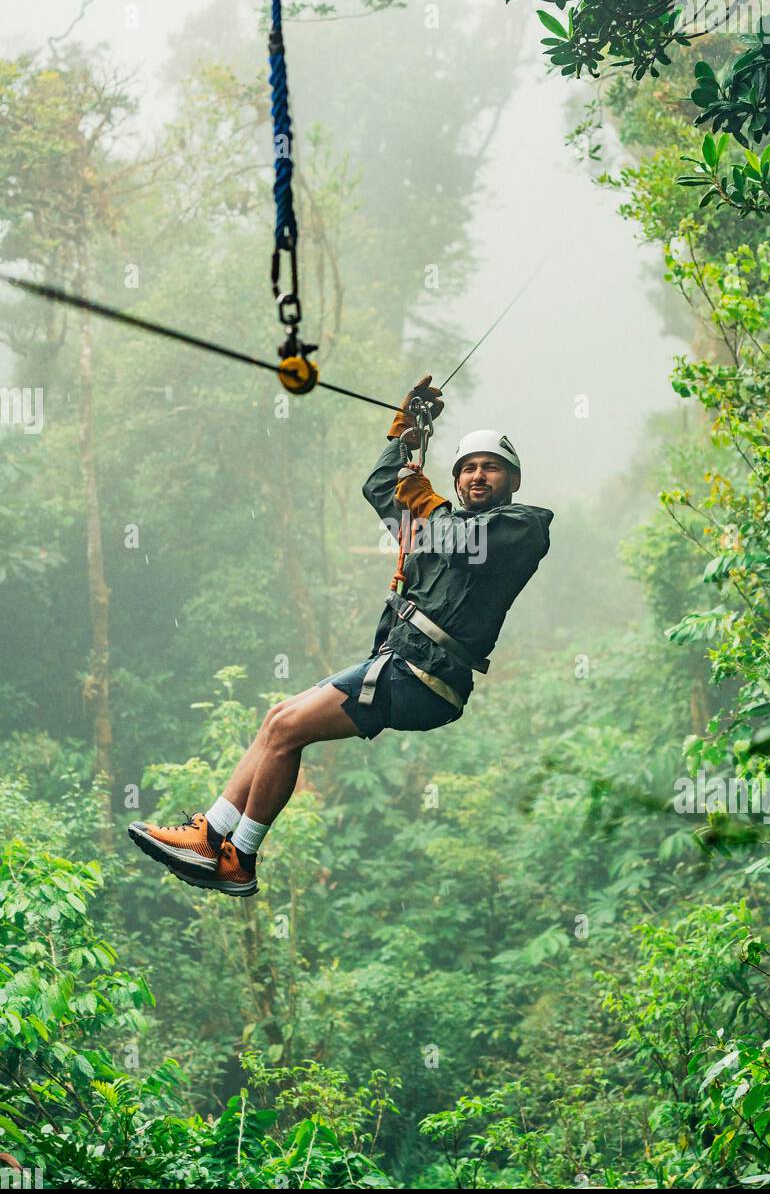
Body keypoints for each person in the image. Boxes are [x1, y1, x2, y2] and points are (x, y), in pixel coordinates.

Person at [128, 375, 554, 896]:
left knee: (288, 731)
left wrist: (429, 505)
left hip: (427, 677)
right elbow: (381, 489)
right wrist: (404, 434)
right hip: (399, 663)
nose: (477, 476)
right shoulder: (431, 523)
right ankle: (209, 835)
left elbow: (465, 543)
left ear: (513, 480)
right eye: (467, 468)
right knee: (277, 719)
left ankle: (239, 857)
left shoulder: (523, 526)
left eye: (491, 467)